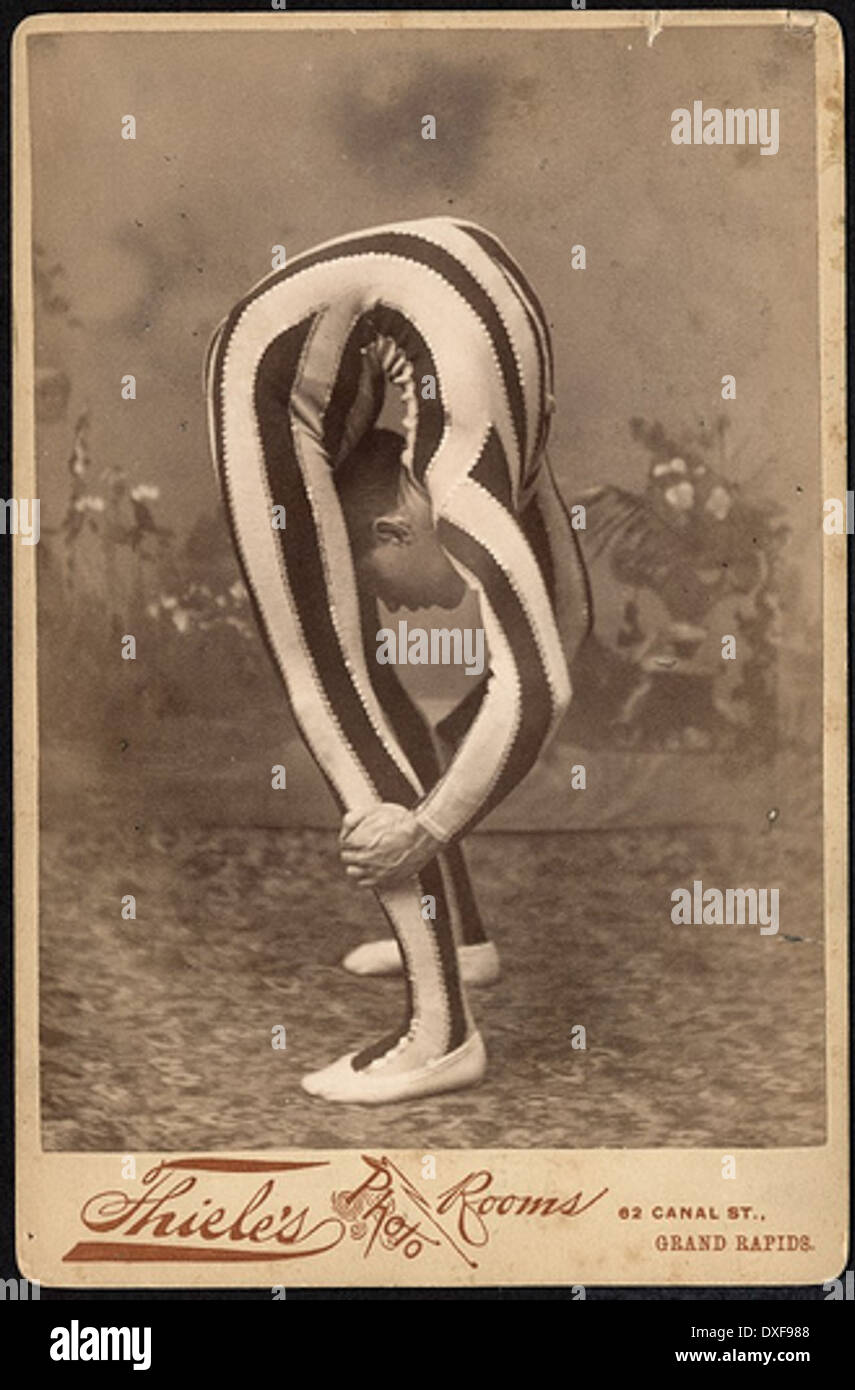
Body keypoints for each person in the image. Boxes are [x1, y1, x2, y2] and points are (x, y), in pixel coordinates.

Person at [206, 216, 591, 1103]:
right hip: (275, 360)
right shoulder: (484, 463)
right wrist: (453, 785)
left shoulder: (462, 481)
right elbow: (551, 651)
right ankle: (454, 944)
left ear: (390, 526)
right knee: (338, 674)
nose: (386, 603)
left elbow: (545, 673)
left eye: (374, 575)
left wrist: (424, 824)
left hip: (433, 304)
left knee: (341, 676)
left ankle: (440, 1038)